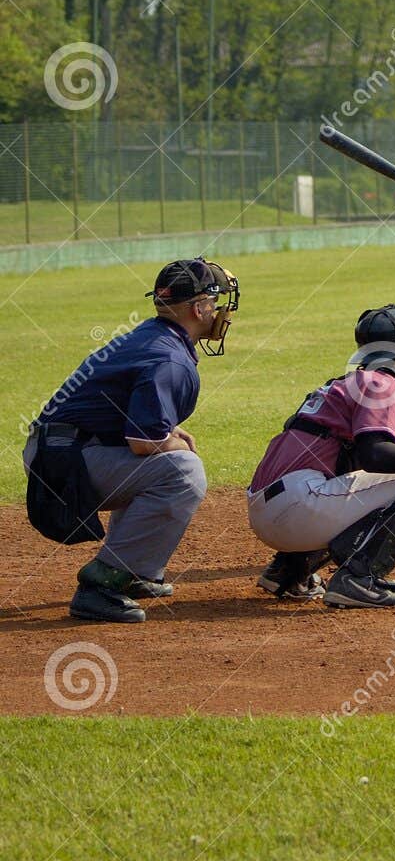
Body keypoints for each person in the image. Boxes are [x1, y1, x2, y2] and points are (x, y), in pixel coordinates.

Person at [24, 257, 239, 624]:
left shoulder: (152, 336)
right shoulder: (170, 358)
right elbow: (142, 443)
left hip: (64, 448)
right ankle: (102, 584)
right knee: (182, 471)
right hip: (61, 460)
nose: (220, 313)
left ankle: (136, 570)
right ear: (199, 308)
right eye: (216, 304)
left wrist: (164, 435)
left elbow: (130, 423)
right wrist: (171, 442)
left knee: (163, 462)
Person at [246, 304, 395, 609]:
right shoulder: (384, 385)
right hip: (298, 508)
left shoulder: (343, 384)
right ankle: (358, 580)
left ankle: (290, 571)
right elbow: (376, 456)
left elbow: (359, 464)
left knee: (369, 481)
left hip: (267, 508)